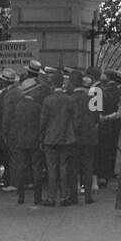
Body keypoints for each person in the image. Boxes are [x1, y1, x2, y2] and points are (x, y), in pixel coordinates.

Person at [3, 60, 49, 205]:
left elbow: (14, 123)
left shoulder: (19, 106)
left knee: (21, 167)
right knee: (36, 167)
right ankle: (37, 197)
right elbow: (41, 124)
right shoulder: (37, 107)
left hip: (21, 139)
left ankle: (21, 197)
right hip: (34, 140)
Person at [40, 71, 80, 207]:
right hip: (67, 138)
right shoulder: (69, 99)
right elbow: (75, 119)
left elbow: (43, 121)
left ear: (52, 83)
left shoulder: (47, 100)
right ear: (62, 82)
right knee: (64, 168)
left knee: (52, 169)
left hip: (50, 138)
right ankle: (64, 197)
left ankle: (51, 198)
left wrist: (41, 136)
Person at [71, 72, 100, 204]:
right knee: (88, 166)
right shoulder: (92, 99)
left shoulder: (70, 99)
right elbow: (96, 118)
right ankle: (88, 196)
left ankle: (74, 196)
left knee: (74, 166)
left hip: (74, 137)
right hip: (90, 136)